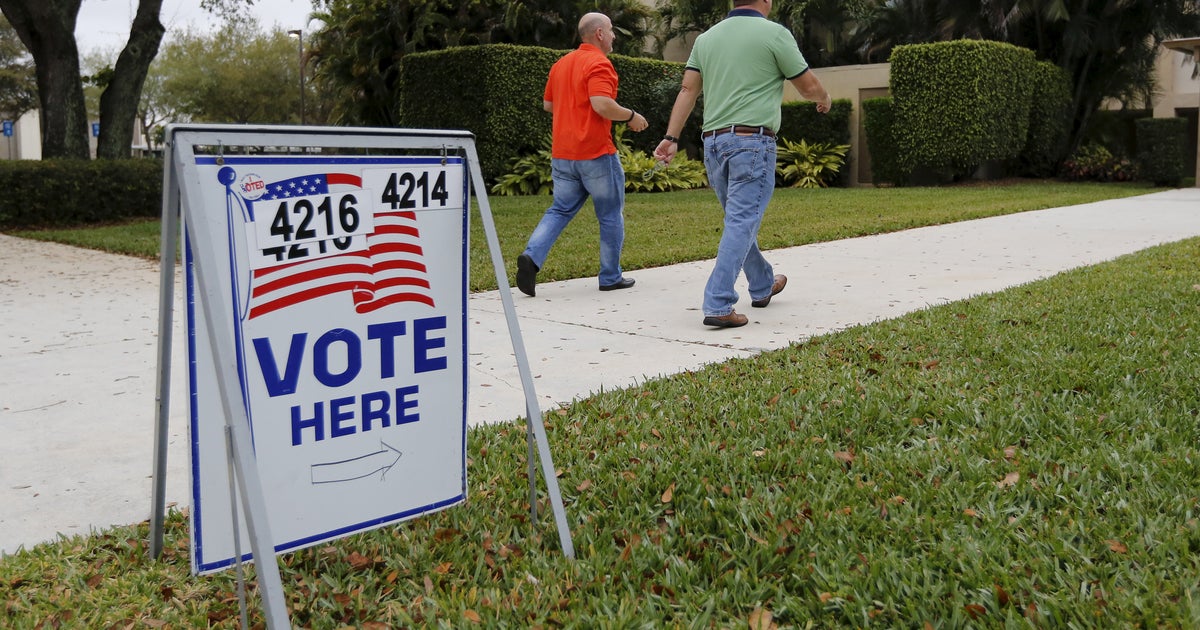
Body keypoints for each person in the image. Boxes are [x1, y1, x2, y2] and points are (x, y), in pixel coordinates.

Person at [653, 0, 831, 328]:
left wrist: (671, 137)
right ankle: (719, 301)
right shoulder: (774, 34)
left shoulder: (706, 39)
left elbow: (687, 90)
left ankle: (762, 284)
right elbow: (807, 87)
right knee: (741, 220)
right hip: (752, 143)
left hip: (714, 146)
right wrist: (824, 98)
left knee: (739, 220)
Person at [516, 12, 648, 297]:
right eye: (611, 31)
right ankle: (610, 276)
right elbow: (601, 104)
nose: (614, 36)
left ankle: (531, 257)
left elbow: (549, 105)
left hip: (563, 155)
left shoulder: (561, 64)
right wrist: (631, 116)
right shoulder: (600, 63)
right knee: (610, 214)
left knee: (560, 209)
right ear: (599, 33)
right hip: (596, 153)